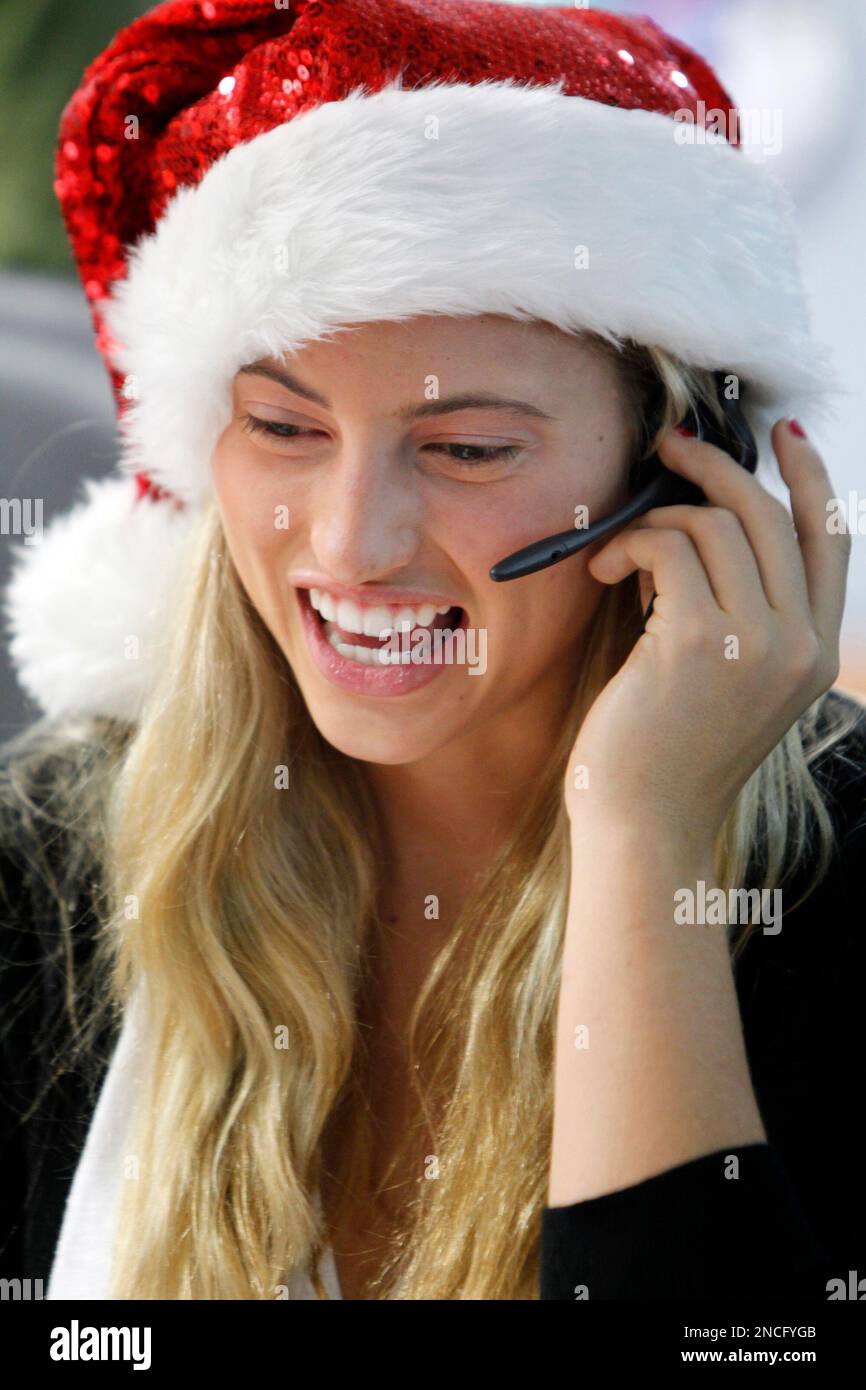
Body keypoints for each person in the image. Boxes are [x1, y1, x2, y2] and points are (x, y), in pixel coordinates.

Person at [0, 0, 863, 1302]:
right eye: (284, 429)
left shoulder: (828, 886)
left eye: (465, 448)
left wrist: (644, 840)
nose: (350, 546)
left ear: (685, 469)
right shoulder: (51, 858)